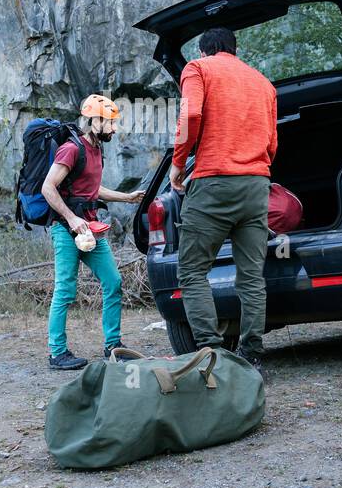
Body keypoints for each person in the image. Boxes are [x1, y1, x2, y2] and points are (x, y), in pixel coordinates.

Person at [169, 27, 278, 377]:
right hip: (256, 184)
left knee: (192, 270)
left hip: (214, 181)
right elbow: (272, 143)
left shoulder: (198, 69)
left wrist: (177, 163)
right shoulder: (264, 84)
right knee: (251, 276)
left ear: (204, 49)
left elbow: (190, 117)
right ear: (234, 49)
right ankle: (252, 356)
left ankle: (213, 354)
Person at [40, 94, 143, 370]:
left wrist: (127, 197)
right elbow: (48, 188)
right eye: (109, 123)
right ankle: (57, 353)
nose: (113, 128)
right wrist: (72, 219)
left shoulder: (97, 149)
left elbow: (92, 190)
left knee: (113, 282)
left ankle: (113, 346)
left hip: (91, 229)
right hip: (66, 229)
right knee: (65, 290)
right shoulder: (71, 149)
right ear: (93, 121)